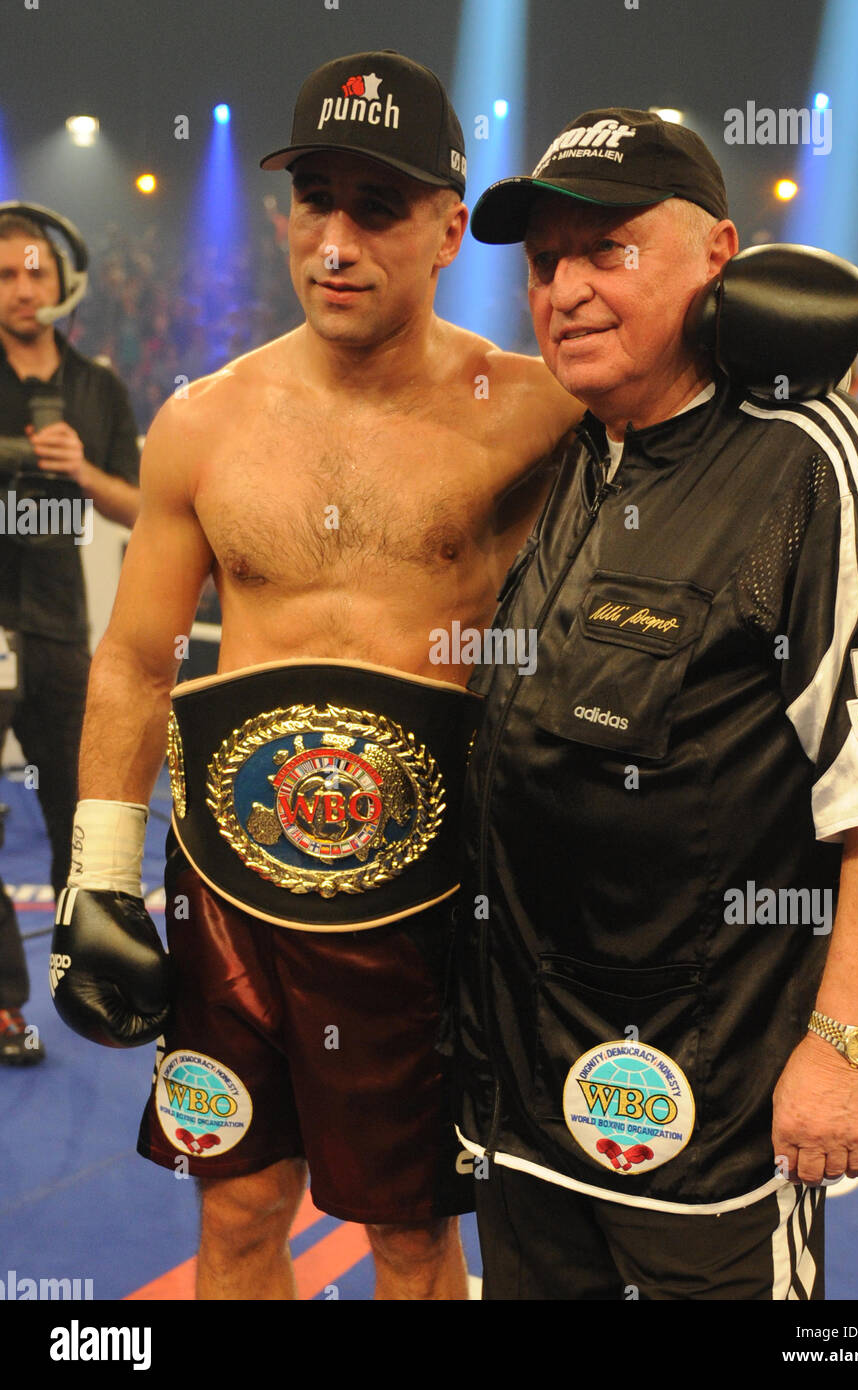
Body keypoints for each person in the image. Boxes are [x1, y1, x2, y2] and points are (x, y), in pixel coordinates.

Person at [49, 51, 582, 1302]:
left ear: (451, 229)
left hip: (426, 897)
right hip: (230, 886)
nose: (336, 242)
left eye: (377, 208)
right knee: (234, 1210)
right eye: (315, 201)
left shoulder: (538, 411)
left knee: (410, 1234)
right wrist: (101, 873)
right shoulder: (203, 422)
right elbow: (134, 656)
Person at [453, 109, 858, 1300]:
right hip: (526, 1080)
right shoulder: (584, 448)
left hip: (713, 1095)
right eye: (544, 261)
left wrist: (845, 1051)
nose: (568, 288)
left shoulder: (813, 461)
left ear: (719, 254)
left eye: (610, 249)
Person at [0, 209, 139, 1064]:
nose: (22, 289)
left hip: (58, 627)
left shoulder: (97, 386)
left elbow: (139, 504)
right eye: (6, 275)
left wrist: (80, 470)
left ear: (63, 281)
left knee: (76, 816)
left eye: (34, 273)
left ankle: (84, 978)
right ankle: (2, 1007)